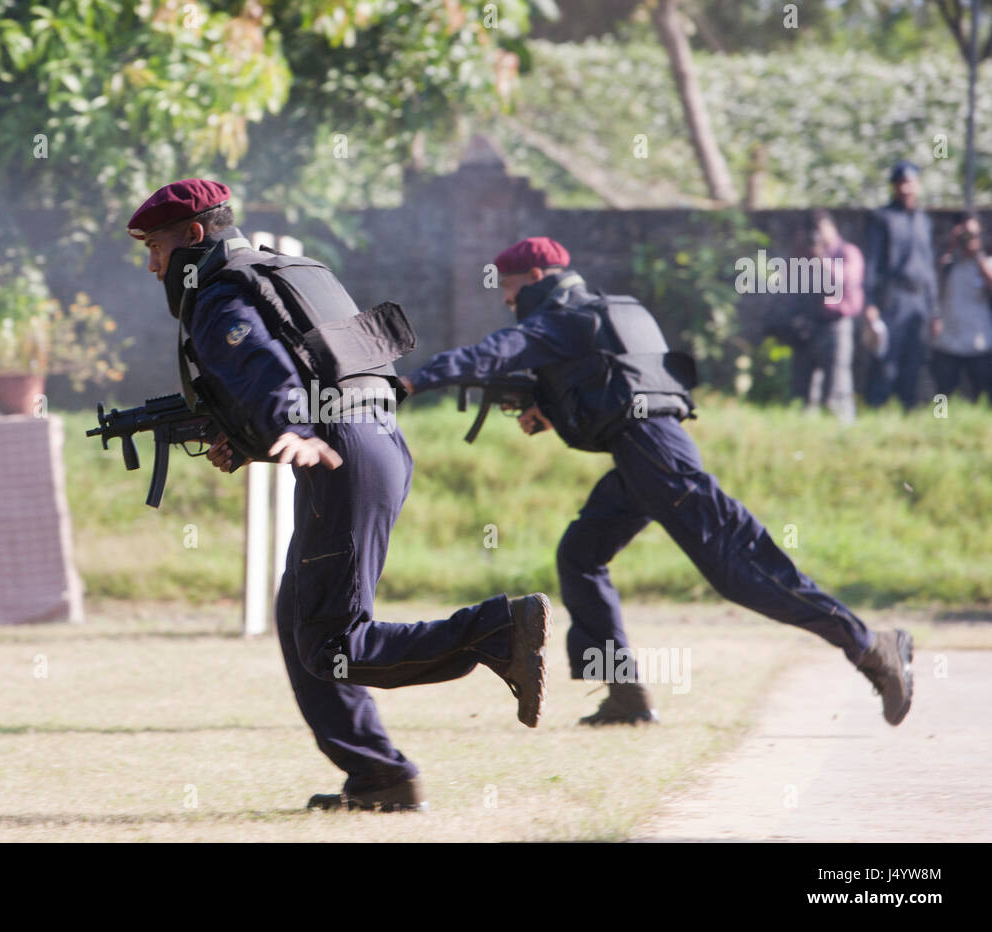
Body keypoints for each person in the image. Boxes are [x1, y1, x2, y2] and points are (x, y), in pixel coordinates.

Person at [127, 178, 551, 813]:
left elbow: (263, 365)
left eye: (158, 247)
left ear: (194, 235)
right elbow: (314, 365)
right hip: (375, 443)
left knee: (333, 646)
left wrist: (286, 426)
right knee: (300, 616)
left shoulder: (219, 294)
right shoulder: (290, 271)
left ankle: (494, 630)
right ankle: (379, 777)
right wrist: (252, 440)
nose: (154, 265)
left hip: (341, 453)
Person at [400, 237, 915, 727]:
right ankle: (624, 694)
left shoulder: (560, 316)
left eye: (509, 288)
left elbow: (493, 352)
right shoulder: (603, 312)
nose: (508, 301)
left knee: (743, 567)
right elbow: (614, 382)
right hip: (642, 452)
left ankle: (871, 646)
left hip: (655, 456)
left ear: (535, 276)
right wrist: (551, 405)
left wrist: (412, 380)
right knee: (580, 554)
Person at [863, 161, 939, 410]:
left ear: (917, 185)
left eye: (909, 183)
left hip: (919, 300)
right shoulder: (882, 218)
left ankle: (910, 410)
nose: (905, 189)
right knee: (887, 357)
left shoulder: (923, 220)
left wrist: (934, 309)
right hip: (893, 297)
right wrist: (870, 302)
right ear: (894, 187)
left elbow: (928, 267)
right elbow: (872, 263)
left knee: (915, 358)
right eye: (900, 184)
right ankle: (876, 409)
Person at [790, 210, 864, 423]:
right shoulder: (804, 254)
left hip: (836, 324)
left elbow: (841, 282)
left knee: (838, 385)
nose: (818, 235)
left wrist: (820, 258)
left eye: (820, 229)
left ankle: (842, 427)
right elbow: (791, 284)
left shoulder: (848, 253)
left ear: (832, 228)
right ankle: (806, 429)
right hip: (809, 324)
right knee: (803, 386)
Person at [929, 213, 992, 404]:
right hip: (947, 340)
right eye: (964, 233)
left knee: (984, 394)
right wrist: (951, 247)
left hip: (979, 341)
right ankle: (939, 426)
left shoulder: (986, 261)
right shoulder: (946, 260)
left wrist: (977, 254)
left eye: (972, 233)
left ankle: (982, 430)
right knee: (942, 394)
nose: (968, 238)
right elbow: (932, 281)